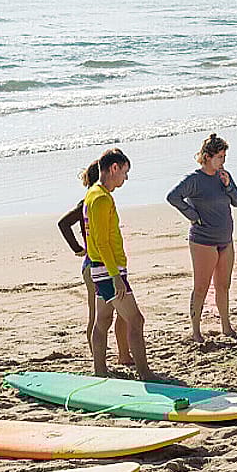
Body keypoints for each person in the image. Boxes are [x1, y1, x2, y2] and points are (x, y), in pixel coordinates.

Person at [166, 133, 237, 342]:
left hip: (226, 240)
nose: (223, 161)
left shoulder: (223, 176)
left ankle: (226, 327)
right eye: (220, 157)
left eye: (224, 157)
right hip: (203, 241)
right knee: (201, 287)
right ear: (207, 157)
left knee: (223, 286)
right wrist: (193, 216)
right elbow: (173, 197)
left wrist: (229, 185)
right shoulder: (194, 180)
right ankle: (196, 331)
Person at [83, 148, 154, 380]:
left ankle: (100, 370)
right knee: (135, 319)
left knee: (103, 320)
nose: (125, 178)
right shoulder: (101, 198)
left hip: (99, 268)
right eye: (125, 172)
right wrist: (115, 275)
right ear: (114, 168)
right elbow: (102, 242)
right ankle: (145, 374)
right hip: (107, 271)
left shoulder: (92, 194)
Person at [58, 164, 130, 365]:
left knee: (120, 314)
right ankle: (96, 359)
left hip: (105, 262)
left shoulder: (100, 200)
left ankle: (124, 354)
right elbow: (63, 223)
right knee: (98, 317)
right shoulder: (90, 201)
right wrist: (78, 248)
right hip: (94, 263)